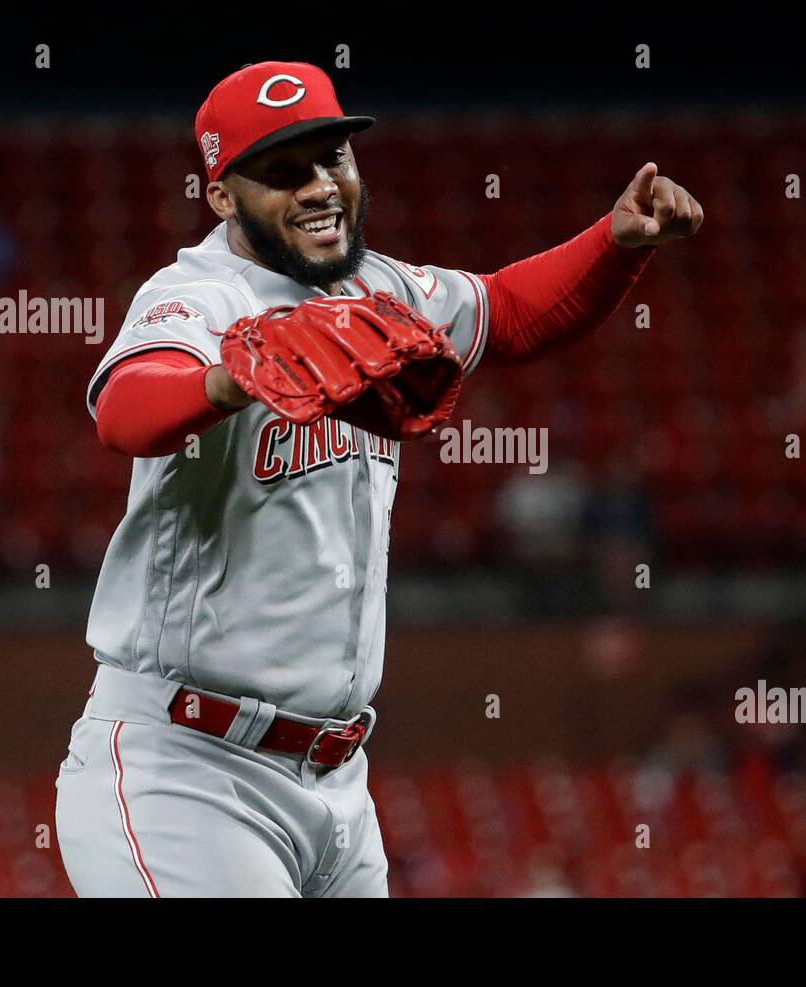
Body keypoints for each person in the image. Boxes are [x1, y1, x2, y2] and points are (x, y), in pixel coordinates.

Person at [55, 60, 702, 897]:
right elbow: (124, 411)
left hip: (338, 786)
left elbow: (505, 311)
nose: (320, 186)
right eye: (283, 171)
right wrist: (229, 378)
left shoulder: (381, 289)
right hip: (186, 771)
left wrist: (616, 244)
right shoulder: (195, 297)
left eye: (332, 158)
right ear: (221, 195)